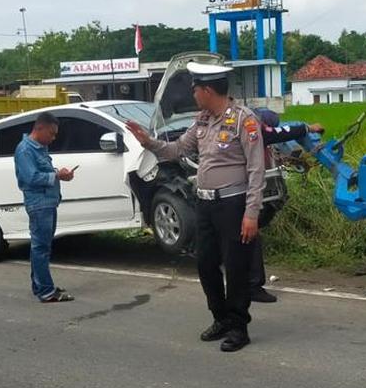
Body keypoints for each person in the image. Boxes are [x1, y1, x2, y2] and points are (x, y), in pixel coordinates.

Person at [125, 63, 265, 352]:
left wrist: (251, 213)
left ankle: (239, 327)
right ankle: (221, 317)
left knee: (236, 267)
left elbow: (256, 170)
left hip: (233, 204)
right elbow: (177, 150)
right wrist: (148, 142)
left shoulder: (244, 120)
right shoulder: (201, 120)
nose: (193, 95)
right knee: (205, 264)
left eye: (196, 89)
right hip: (205, 203)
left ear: (208, 90)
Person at [247, 108, 325, 304]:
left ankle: (245, 286)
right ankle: (252, 286)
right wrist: (307, 128)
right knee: (249, 235)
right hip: (241, 189)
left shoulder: (225, 122)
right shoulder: (251, 126)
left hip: (235, 189)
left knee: (242, 236)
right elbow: (279, 133)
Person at [14, 112, 76, 303]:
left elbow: (44, 172)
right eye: (51, 133)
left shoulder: (40, 148)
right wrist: (57, 176)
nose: (53, 138)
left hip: (48, 202)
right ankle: (47, 291)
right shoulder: (25, 150)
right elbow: (30, 177)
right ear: (39, 128)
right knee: (41, 247)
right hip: (39, 204)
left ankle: (40, 285)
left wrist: (59, 173)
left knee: (42, 247)